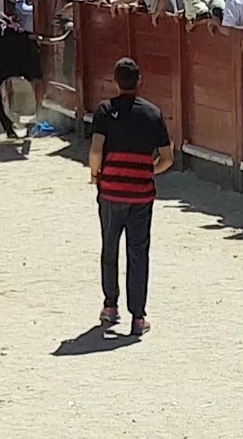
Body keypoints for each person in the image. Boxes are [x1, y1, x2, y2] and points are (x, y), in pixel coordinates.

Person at [88, 57, 174, 338]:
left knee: (109, 247)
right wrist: (149, 172)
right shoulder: (152, 113)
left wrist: (95, 175)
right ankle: (138, 318)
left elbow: (96, 151)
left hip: (111, 192)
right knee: (138, 253)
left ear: (115, 81)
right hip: (140, 195)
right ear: (139, 82)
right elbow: (168, 158)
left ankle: (110, 307)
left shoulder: (104, 111)